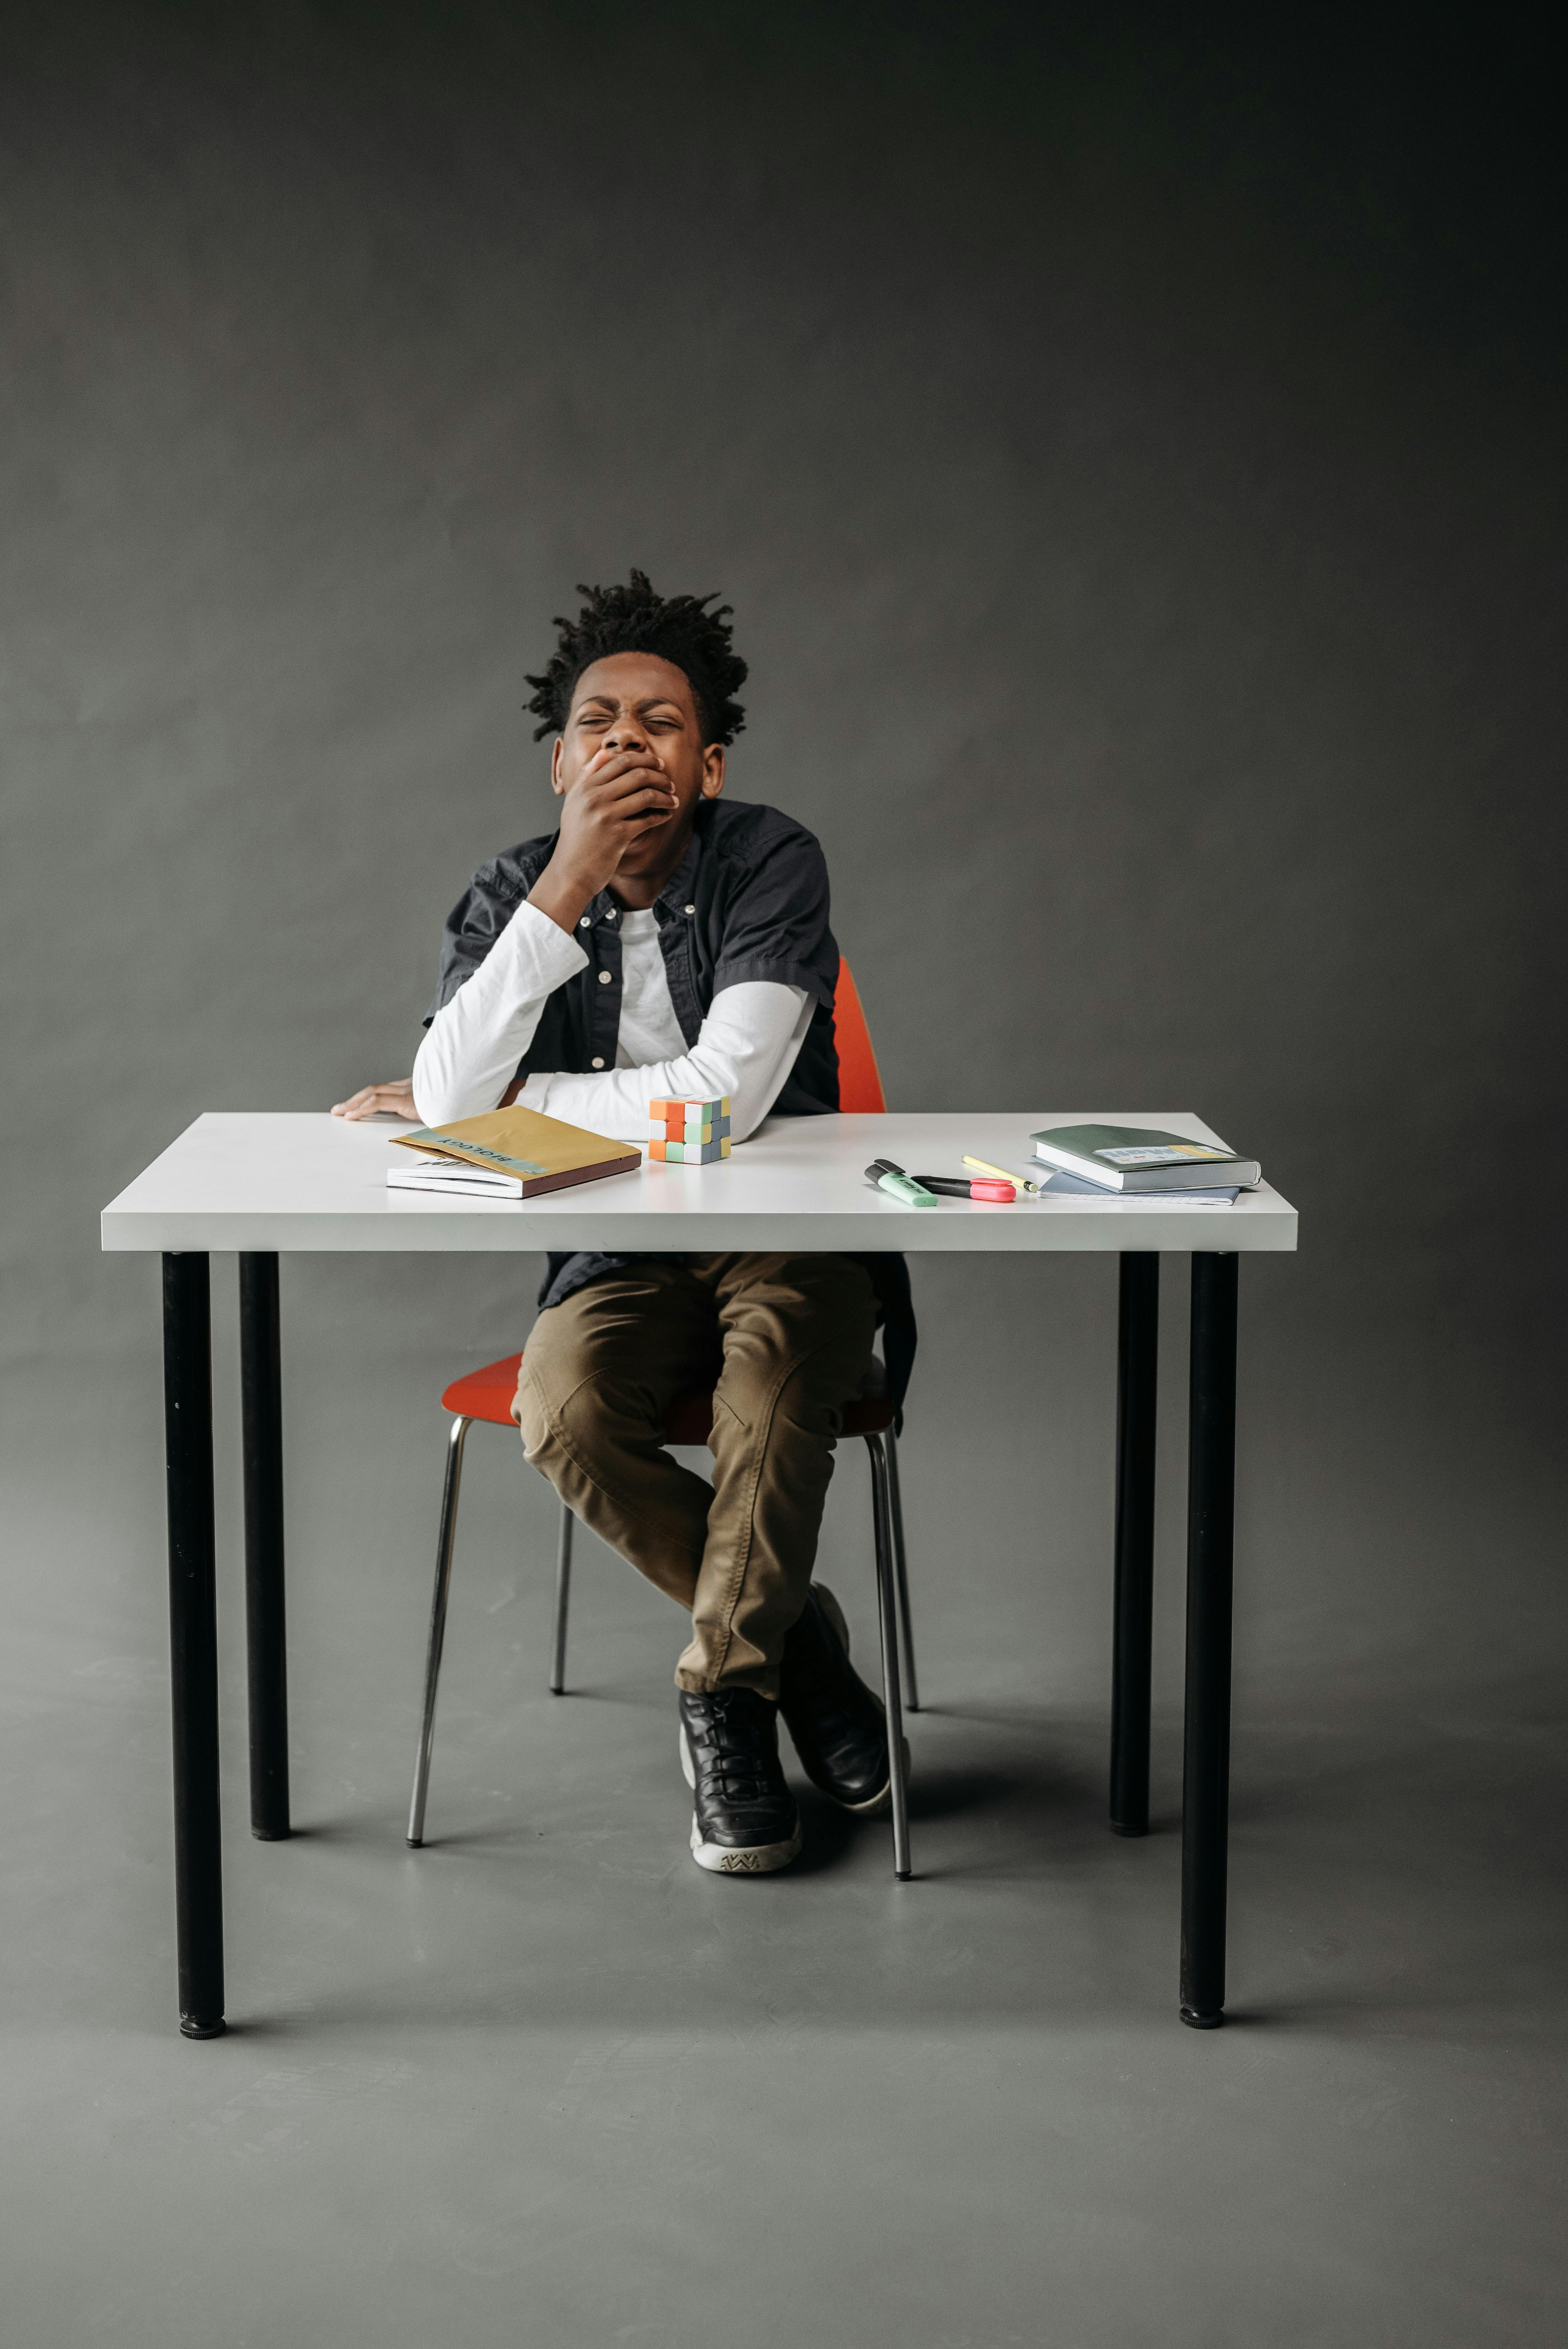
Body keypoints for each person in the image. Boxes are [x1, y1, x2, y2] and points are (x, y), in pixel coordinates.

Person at [334, 573, 913, 1875]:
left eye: (659, 723)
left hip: (791, 1238)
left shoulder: (773, 858)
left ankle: (722, 1697)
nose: (624, 743)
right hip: (617, 1247)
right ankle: (800, 1649)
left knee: (771, 1399)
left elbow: (727, 1097)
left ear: (707, 764)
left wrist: (520, 1096)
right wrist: (571, 881)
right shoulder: (507, 892)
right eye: (598, 722)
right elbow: (441, 1102)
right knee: (565, 1408)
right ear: (559, 762)